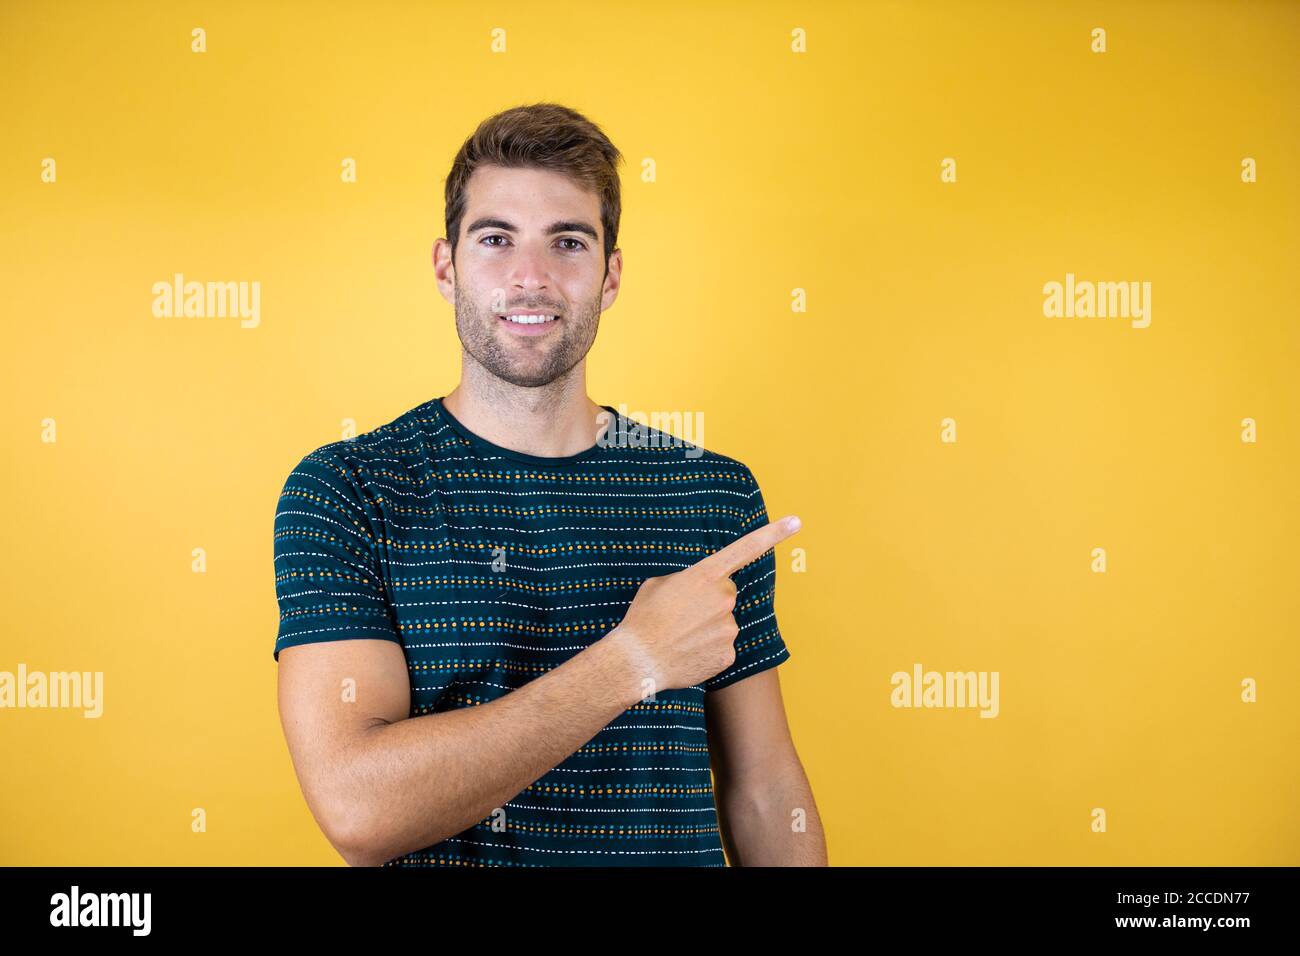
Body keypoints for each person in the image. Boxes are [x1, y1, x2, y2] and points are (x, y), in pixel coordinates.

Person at [273, 102, 826, 866]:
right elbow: (359, 810)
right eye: (496, 240)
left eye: (568, 243)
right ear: (446, 266)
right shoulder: (349, 489)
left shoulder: (713, 494)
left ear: (610, 275)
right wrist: (633, 660)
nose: (530, 278)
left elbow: (763, 788)